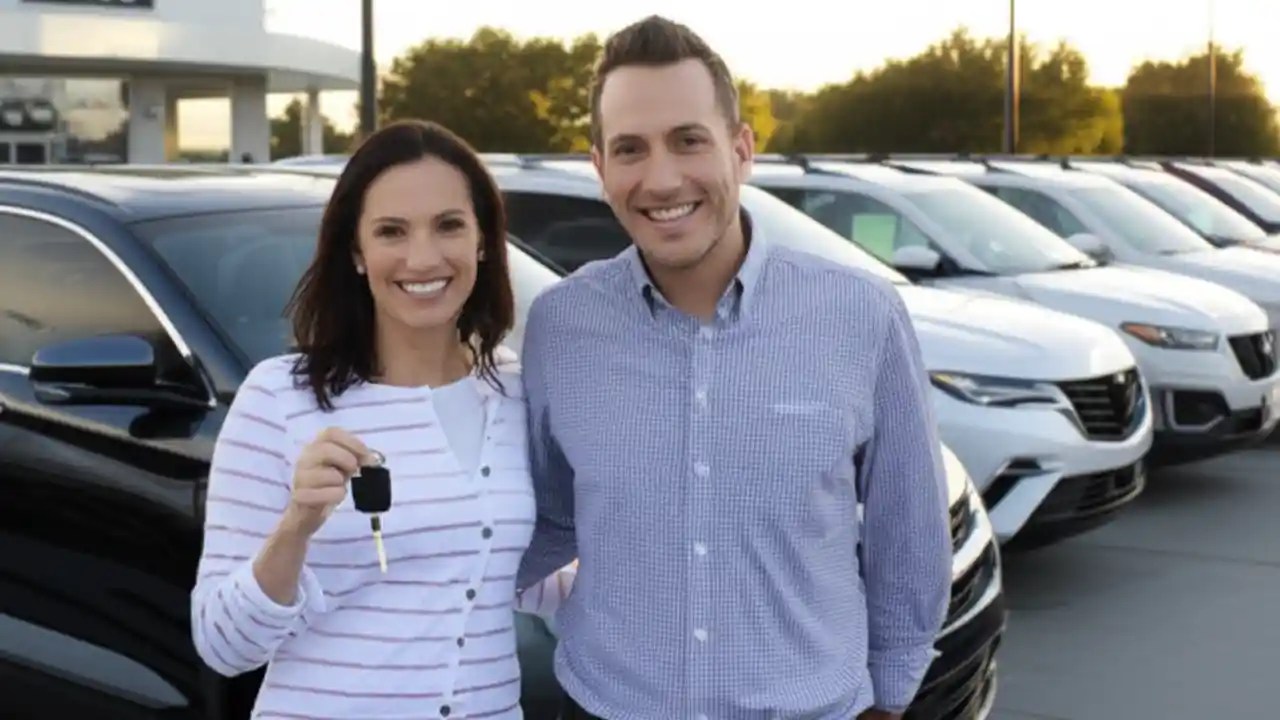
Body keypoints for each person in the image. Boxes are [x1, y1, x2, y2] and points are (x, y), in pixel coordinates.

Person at [515, 16, 952, 720]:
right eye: (630, 149)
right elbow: (544, 518)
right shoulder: (561, 327)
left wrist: (891, 696)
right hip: (604, 706)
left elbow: (911, 537)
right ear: (600, 169)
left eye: (689, 141)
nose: (661, 179)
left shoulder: (860, 315)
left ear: (741, 149)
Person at [190, 119, 572, 720]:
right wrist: (296, 528)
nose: (422, 257)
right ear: (357, 253)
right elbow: (223, 645)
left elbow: (516, 574)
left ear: (481, 240)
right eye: (391, 231)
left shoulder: (517, 391)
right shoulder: (278, 399)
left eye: (448, 225)